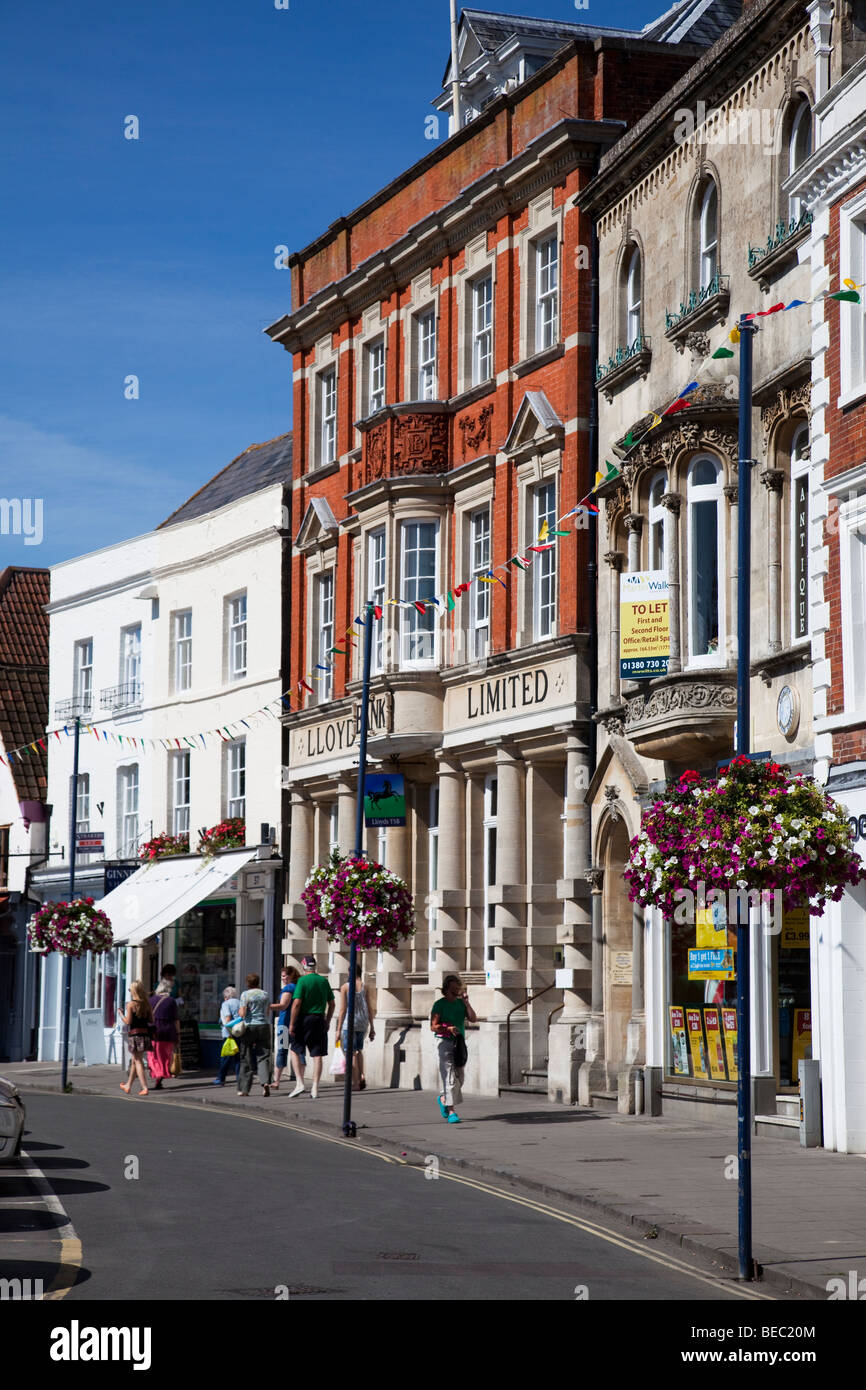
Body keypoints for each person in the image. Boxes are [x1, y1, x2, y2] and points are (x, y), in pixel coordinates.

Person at [430, 974, 477, 1124]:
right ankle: (451, 1112)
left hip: (459, 1043)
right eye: (453, 989)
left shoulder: (460, 1004)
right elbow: (433, 1026)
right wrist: (447, 1028)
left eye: (458, 989)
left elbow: (473, 1018)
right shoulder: (439, 1005)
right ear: (446, 990)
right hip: (444, 1042)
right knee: (449, 1077)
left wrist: (467, 1003)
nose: (456, 992)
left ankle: (443, 1098)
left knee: (460, 1078)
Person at [288, 955, 334, 1099]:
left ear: (303, 967)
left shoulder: (302, 981)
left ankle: (300, 1083)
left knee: (295, 1050)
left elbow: (296, 1004)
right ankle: (315, 1087)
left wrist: (291, 1023)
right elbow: (332, 1004)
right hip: (319, 1019)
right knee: (317, 1054)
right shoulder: (323, 981)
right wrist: (327, 1021)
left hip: (303, 1019)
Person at [335, 964, 375, 1091]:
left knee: (351, 1053)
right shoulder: (365, 986)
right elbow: (369, 1007)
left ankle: (355, 1082)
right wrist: (372, 1027)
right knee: (359, 1051)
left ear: (349, 973)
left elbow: (342, 1009)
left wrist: (338, 1029)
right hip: (363, 1022)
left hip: (349, 1022)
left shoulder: (345, 987)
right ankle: (362, 1075)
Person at [269, 966, 305, 1090]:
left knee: (282, 1051)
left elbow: (283, 1005)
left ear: (291, 975)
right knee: (300, 1052)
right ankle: (301, 1081)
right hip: (298, 1025)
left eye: (285, 976)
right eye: (282, 976)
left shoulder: (288, 988)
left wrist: (268, 1006)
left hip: (284, 1024)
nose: (283, 978)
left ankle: (276, 1081)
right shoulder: (299, 987)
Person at [237, 973, 272, 1097]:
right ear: (258, 982)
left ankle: (244, 1089)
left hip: (249, 1027)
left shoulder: (245, 995)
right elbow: (267, 1011)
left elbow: (242, 1013)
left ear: (248, 983)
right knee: (264, 1056)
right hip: (264, 1026)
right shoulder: (265, 994)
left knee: (246, 1056)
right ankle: (265, 1083)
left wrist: (240, 1012)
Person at [120, 981, 154, 1097]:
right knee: (135, 1060)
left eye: (130, 990)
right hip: (145, 1035)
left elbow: (128, 1022)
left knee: (138, 1061)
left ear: (134, 991)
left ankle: (144, 1087)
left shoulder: (131, 1005)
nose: (129, 992)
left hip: (135, 1035)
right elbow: (151, 1020)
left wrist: (121, 1014)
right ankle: (128, 1085)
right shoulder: (146, 1004)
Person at [147, 981, 180, 1089]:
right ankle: (160, 1077)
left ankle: (157, 1074)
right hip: (168, 1031)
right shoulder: (171, 1001)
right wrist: (178, 1033)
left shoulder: (151, 1000)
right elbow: (176, 1020)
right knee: (165, 1056)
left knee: (153, 1056)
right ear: (168, 990)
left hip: (154, 1031)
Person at [214, 986, 242, 1087]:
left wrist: (230, 1032)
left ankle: (221, 1078)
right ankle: (239, 1079)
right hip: (239, 1032)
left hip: (229, 1033)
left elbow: (228, 1018)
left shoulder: (226, 1004)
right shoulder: (240, 1002)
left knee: (226, 1056)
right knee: (238, 1058)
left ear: (226, 996)